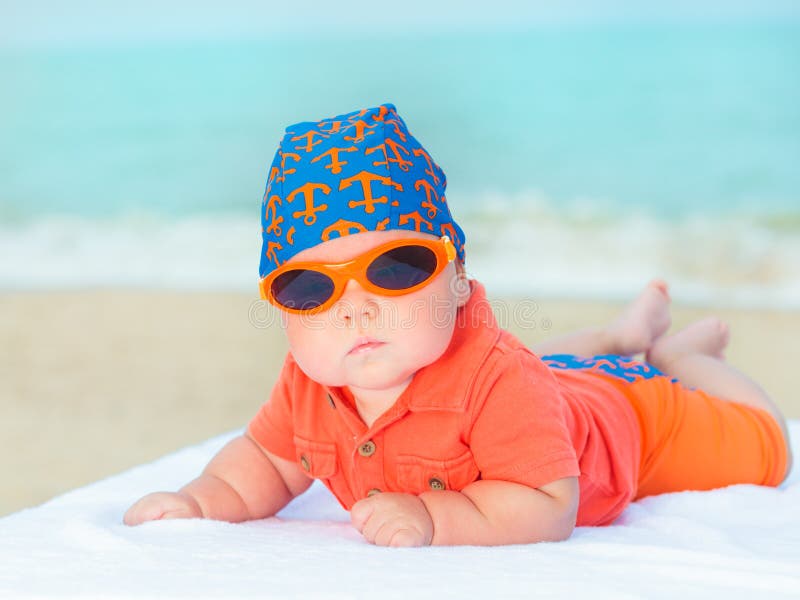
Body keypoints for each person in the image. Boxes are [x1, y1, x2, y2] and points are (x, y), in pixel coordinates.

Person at [123, 103, 792, 547]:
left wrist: (433, 517)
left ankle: (678, 358)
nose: (354, 306)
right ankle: (619, 340)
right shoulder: (308, 383)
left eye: (394, 268)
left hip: (634, 427)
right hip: (549, 390)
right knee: (552, 372)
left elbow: (547, 501)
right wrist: (204, 499)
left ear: (458, 278)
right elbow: (265, 463)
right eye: (309, 287)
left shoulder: (498, 376)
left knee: (768, 450)